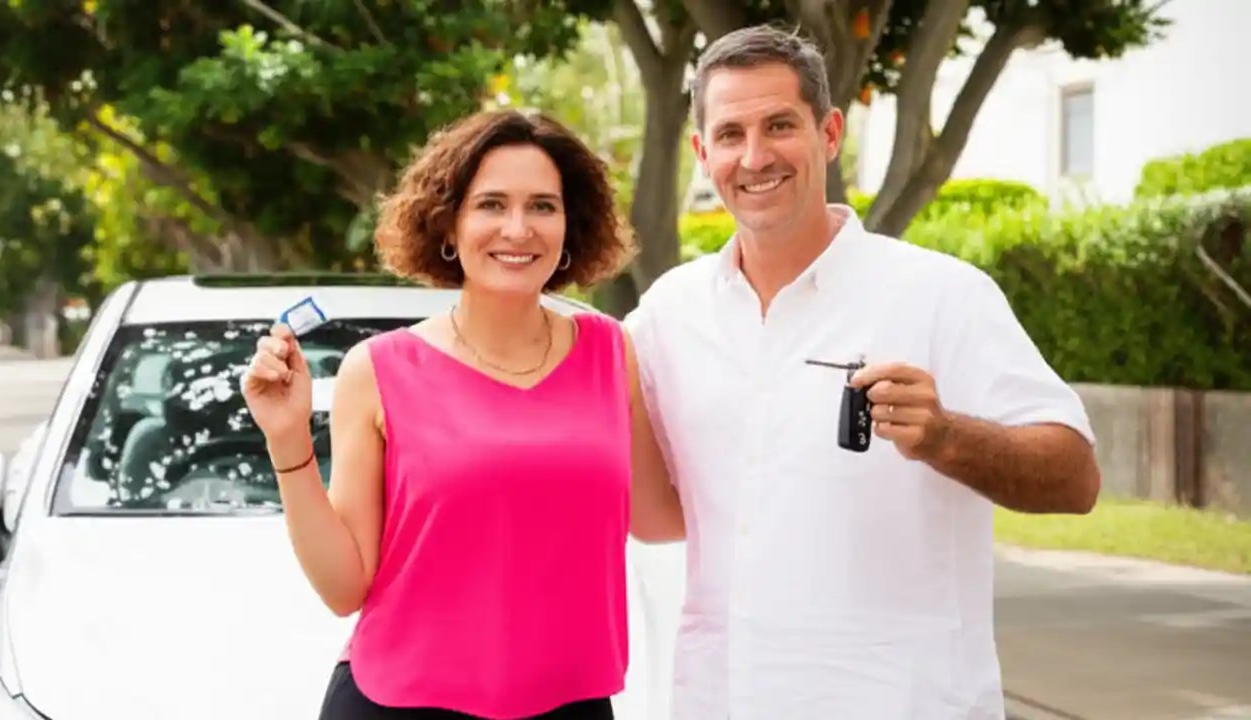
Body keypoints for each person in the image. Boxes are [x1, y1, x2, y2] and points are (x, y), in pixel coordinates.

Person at [624, 24, 1101, 720]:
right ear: (702, 153)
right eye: (729, 134)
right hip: (719, 701)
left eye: (779, 125)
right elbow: (646, 508)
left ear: (829, 133)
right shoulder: (668, 315)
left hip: (899, 702)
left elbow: (1076, 477)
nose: (754, 157)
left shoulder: (941, 295)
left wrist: (945, 438)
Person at [242, 109, 682, 720]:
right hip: (400, 704)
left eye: (543, 206)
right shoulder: (379, 369)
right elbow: (344, 589)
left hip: (569, 705)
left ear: (571, 224)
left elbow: (660, 517)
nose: (518, 228)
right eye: (491, 205)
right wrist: (287, 438)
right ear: (450, 223)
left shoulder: (611, 352)